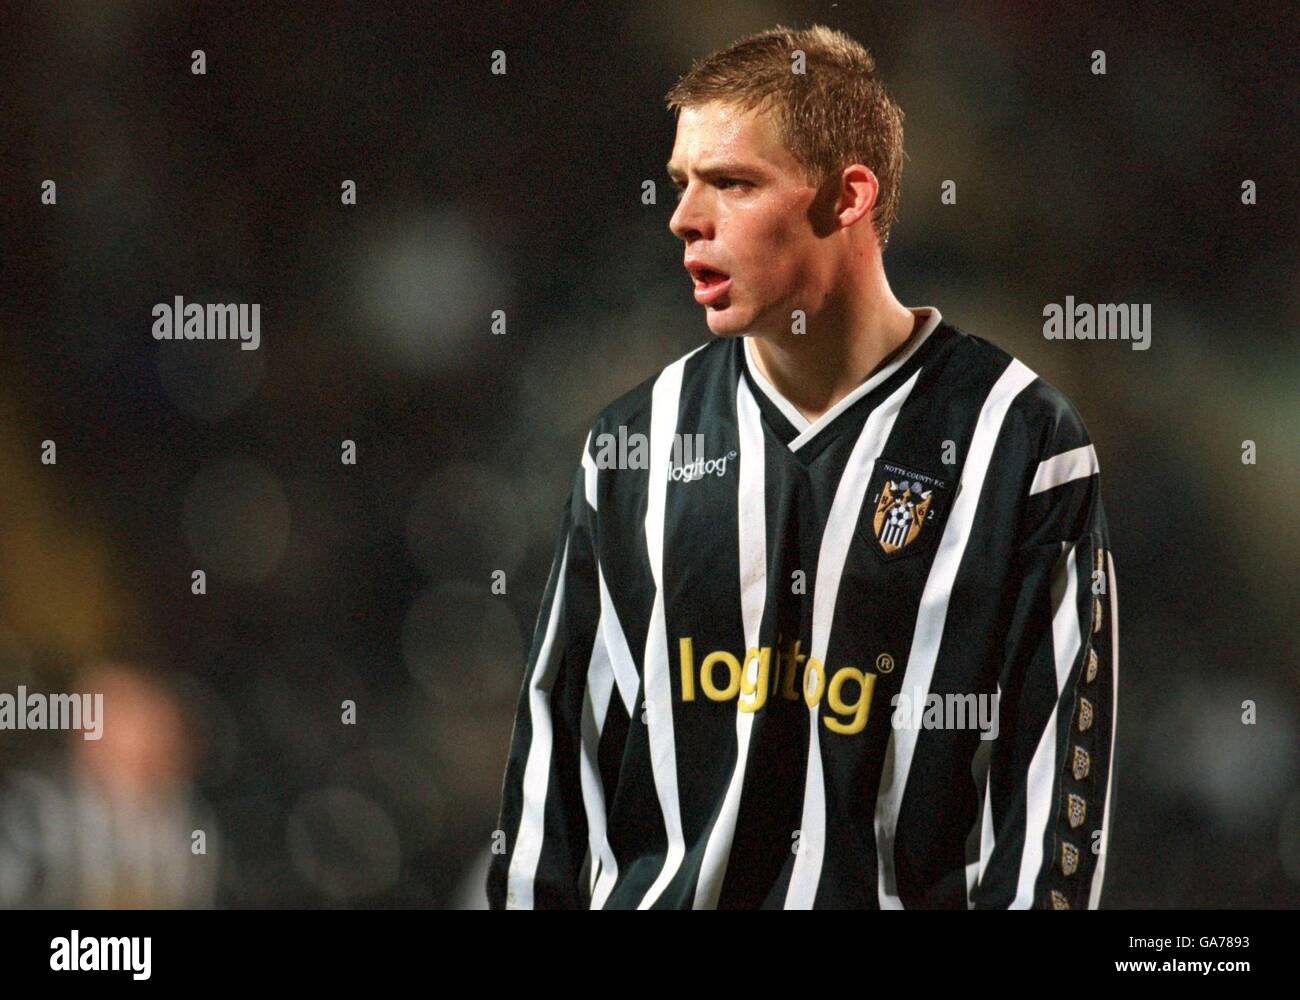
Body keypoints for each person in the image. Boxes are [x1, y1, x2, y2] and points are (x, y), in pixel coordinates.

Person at [487, 24, 1116, 909]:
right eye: (680, 184)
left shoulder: (1021, 445)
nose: (683, 218)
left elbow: (1056, 809)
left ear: (848, 197)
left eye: (732, 183)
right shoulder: (634, 444)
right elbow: (556, 765)